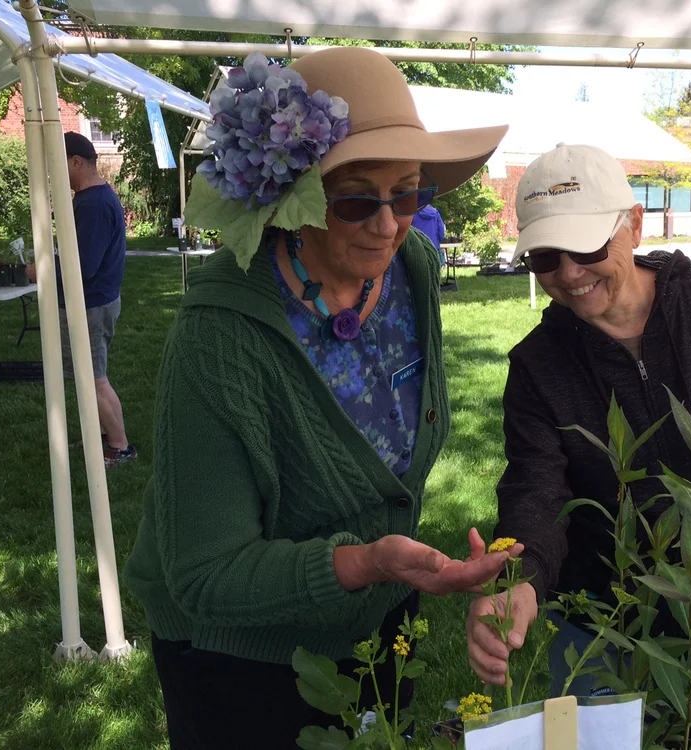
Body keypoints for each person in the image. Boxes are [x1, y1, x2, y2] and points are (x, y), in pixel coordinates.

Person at [123, 47, 510, 748]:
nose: (389, 223)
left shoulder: (411, 269)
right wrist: (365, 561)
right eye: (357, 197)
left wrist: (384, 571)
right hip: (237, 656)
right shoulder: (219, 338)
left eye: (411, 192)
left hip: (376, 621)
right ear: (289, 193)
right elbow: (204, 574)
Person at [465, 144, 691, 697]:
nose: (568, 273)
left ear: (633, 224)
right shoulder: (537, 364)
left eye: (586, 245)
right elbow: (535, 487)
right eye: (543, 256)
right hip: (600, 625)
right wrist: (523, 580)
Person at [26, 131, 136, 468]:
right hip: (93, 303)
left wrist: (40, 269)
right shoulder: (91, 200)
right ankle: (102, 436)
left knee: (94, 379)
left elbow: (83, 267)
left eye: (57, 164)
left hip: (90, 305)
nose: (53, 172)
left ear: (75, 162)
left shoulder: (93, 204)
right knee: (91, 377)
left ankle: (120, 447)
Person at [411, 203, 447, 268]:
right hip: (433, 247)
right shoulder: (436, 214)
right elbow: (441, 232)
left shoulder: (413, 213)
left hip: (417, 247)